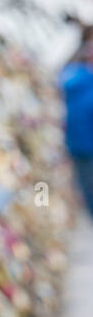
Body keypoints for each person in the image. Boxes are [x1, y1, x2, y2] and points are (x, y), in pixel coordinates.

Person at [61, 23, 93, 215]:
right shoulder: (83, 78)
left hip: (77, 144)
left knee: (88, 188)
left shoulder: (71, 76)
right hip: (84, 143)